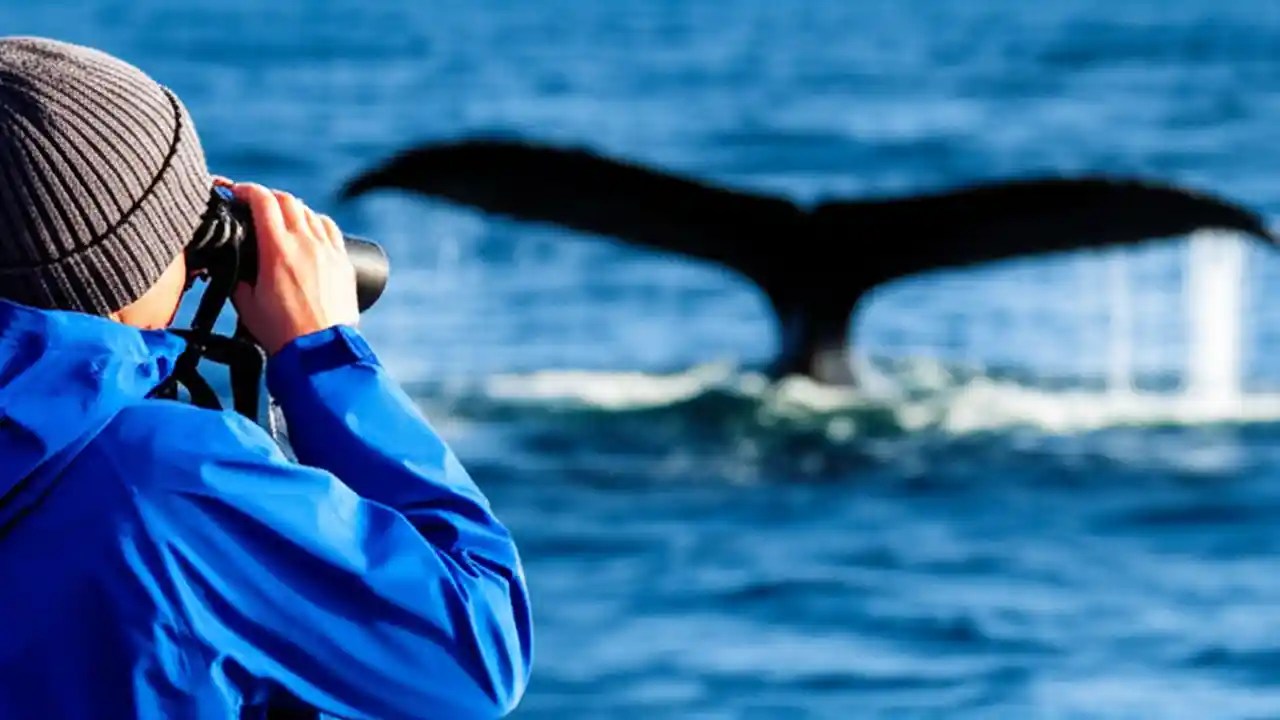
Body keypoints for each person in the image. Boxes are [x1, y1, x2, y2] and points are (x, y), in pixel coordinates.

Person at [0, 36, 532, 719]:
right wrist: (325, 354)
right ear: (114, 274)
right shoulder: (163, 487)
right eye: (178, 225)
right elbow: (476, 652)